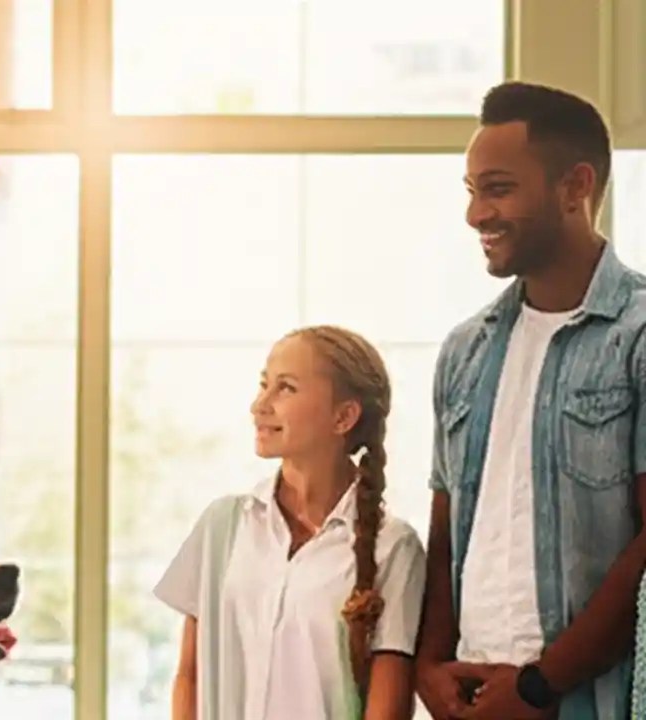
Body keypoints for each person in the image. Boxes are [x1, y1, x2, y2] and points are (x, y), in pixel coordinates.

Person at [414, 81, 646, 720]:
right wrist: (429, 665)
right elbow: (445, 525)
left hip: (590, 702)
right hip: (472, 700)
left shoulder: (639, 337)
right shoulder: (464, 351)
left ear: (575, 187)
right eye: (472, 192)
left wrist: (542, 684)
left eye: (498, 188)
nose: (475, 215)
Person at [155, 325, 427, 719]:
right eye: (264, 385)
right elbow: (190, 677)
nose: (259, 405)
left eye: (285, 388)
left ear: (344, 416)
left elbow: (388, 709)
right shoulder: (222, 527)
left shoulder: (394, 548)